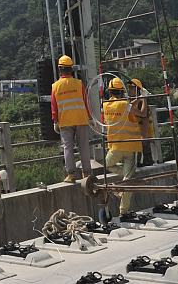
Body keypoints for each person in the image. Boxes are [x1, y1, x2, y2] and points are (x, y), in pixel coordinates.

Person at [102, 76, 147, 216]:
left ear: (110, 92)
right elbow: (143, 114)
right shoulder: (125, 105)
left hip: (115, 147)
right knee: (129, 179)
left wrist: (137, 99)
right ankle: (123, 210)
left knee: (107, 165)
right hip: (131, 146)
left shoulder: (105, 105)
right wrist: (143, 98)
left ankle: (123, 184)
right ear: (122, 92)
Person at [51, 54, 93, 182]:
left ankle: (71, 175)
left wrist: (55, 121)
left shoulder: (55, 86)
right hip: (81, 119)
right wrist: (90, 117)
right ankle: (87, 174)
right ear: (71, 69)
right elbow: (86, 102)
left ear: (60, 69)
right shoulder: (79, 83)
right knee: (84, 147)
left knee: (67, 148)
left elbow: (54, 107)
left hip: (65, 121)